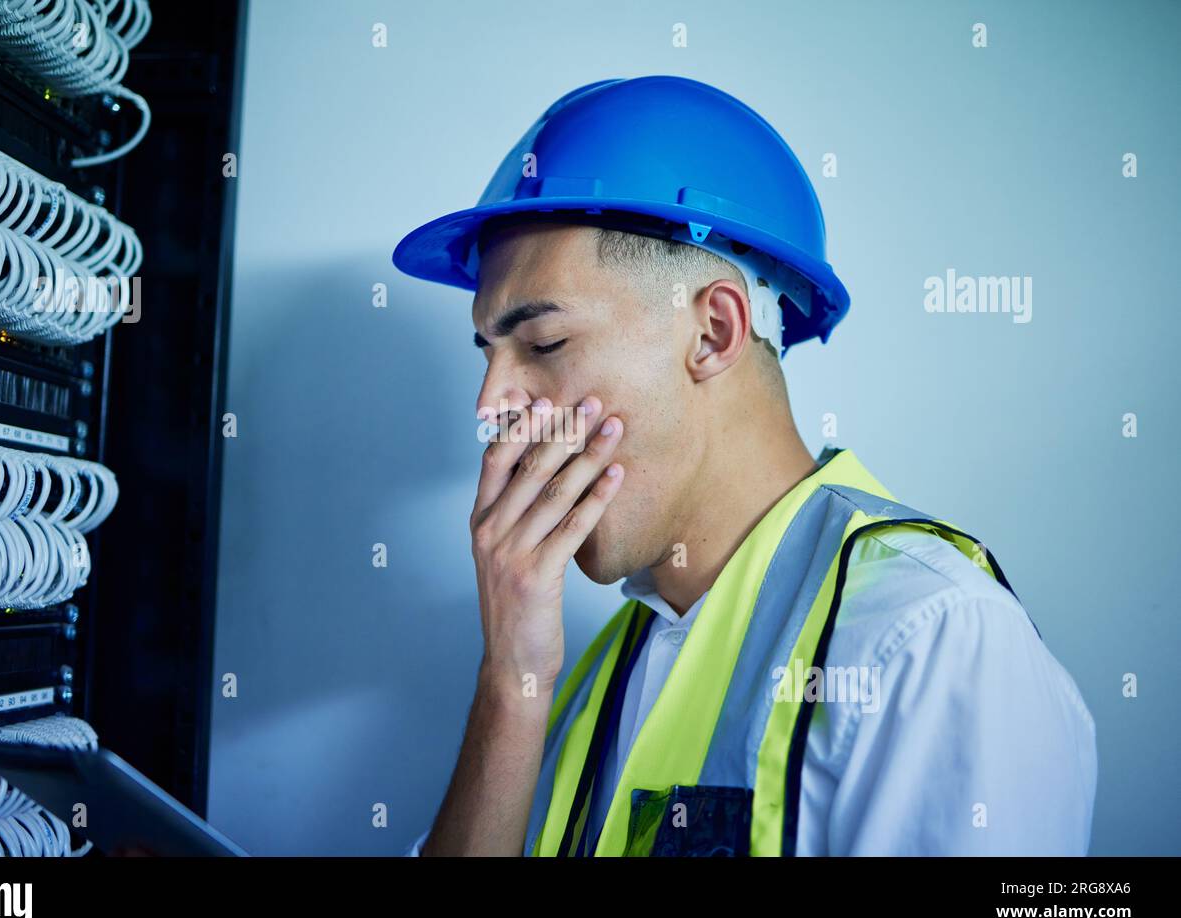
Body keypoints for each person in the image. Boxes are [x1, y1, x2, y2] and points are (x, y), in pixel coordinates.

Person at [392, 76, 1096, 856]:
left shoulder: (932, 640)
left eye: (545, 343)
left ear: (714, 333)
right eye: (488, 354)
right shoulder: (589, 677)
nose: (492, 403)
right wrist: (510, 684)